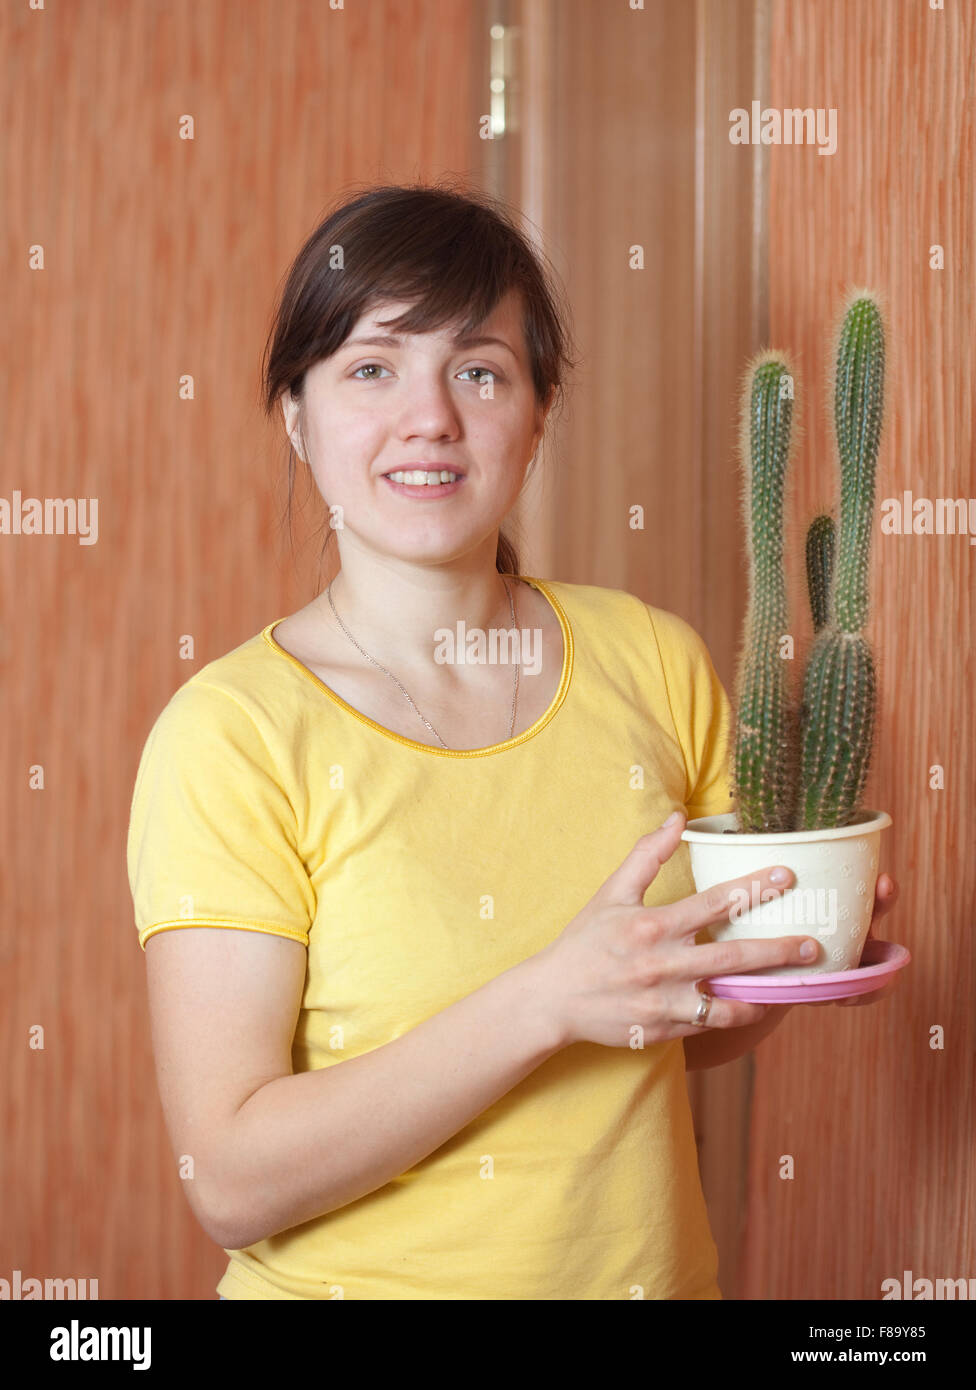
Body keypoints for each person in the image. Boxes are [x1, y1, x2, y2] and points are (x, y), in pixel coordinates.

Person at [126, 181, 899, 1301]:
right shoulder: (232, 737)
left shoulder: (654, 659)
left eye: (478, 370)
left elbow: (667, 1029)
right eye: (372, 368)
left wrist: (789, 958)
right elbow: (232, 1179)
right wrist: (543, 998)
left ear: (537, 413)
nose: (430, 416)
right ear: (296, 414)